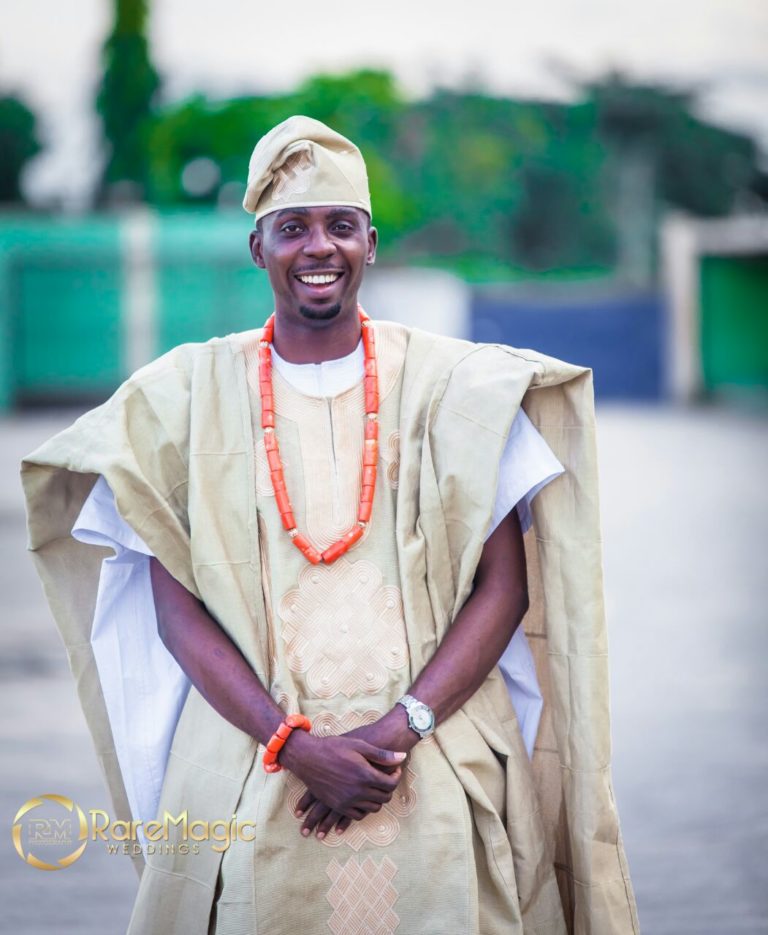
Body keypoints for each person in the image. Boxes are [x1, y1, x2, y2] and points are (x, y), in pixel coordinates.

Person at [21, 116, 639, 934]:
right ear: (257, 248)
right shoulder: (185, 398)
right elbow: (176, 610)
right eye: (293, 228)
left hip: (431, 762)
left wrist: (395, 730)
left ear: (371, 243)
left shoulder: (448, 386)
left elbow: (504, 586)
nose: (319, 247)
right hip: (251, 769)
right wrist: (294, 745)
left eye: (340, 226)